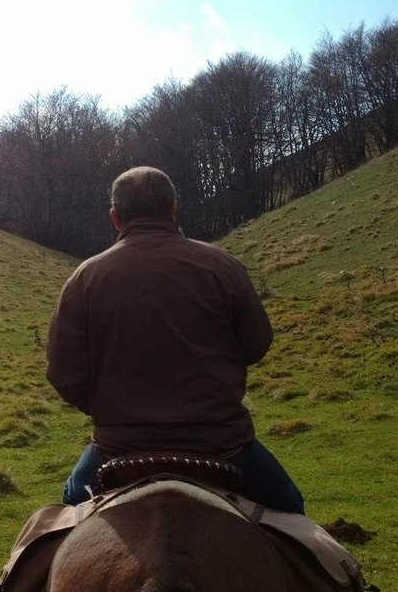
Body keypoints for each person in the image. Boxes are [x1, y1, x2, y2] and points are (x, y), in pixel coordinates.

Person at [46, 166, 305, 513]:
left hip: (119, 447)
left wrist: (112, 413)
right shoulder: (221, 265)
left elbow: (63, 373)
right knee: (290, 510)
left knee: (62, 518)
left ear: (116, 218)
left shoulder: (85, 278)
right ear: (172, 209)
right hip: (224, 445)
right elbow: (257, 343)